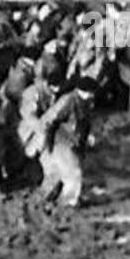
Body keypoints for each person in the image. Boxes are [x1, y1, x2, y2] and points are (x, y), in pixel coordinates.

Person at [38, 77, 99, 207]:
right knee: (73, 173)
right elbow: (52, 121)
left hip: (72, 141)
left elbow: (84, 123)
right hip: (64, 141)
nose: (93, 94)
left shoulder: (85, 101)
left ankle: (45, 196)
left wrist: (87, 137)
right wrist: (48, 143)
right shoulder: (69, 101)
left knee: (58, 173)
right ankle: (68, 202)